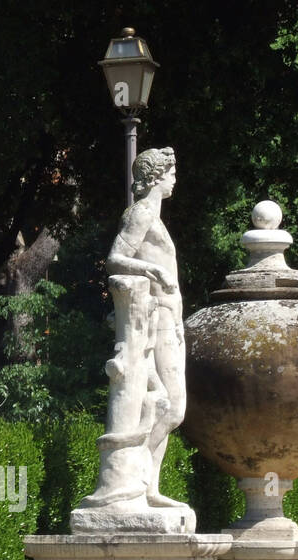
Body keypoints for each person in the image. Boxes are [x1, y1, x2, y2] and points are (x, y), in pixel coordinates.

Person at [105, 146, 184, 507]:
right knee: (171, 405)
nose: (174, 177)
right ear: (156, 175)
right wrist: (151, 270)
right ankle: (137, 482)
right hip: (155, 317)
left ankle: (148, 486)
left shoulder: (157, 214)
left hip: (171, 317)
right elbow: (114, 258)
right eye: (170, 171)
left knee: (170, 405)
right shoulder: (141, 213)